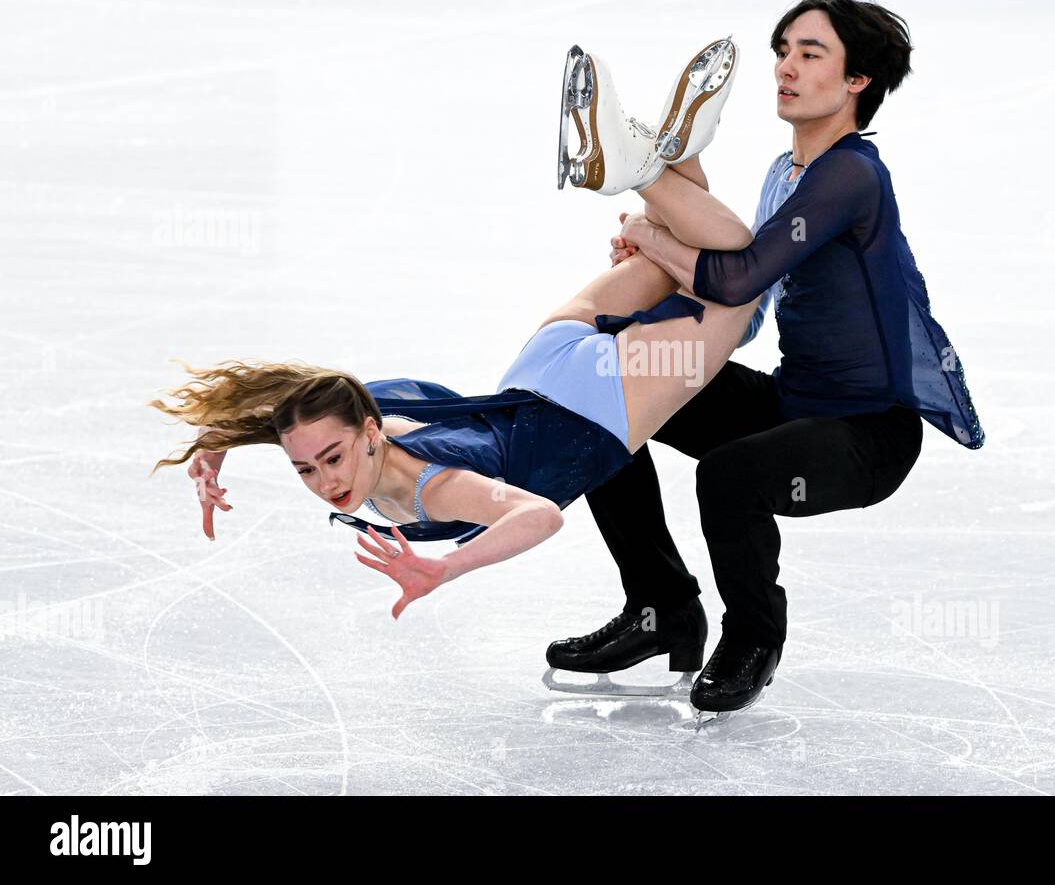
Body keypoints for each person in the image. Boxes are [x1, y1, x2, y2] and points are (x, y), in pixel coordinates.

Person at [151, 38, 752, 637]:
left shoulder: (428, 487)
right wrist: (212, 450)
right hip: (540, 367)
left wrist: (446, 567)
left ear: (367, 436)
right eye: (306, 471)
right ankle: (677, 151)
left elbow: (538, 515)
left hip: (598, 403)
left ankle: (639, 168)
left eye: (331, 460)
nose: (326, 481)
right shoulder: (358, 411)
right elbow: (272, 422)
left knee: (737, 271)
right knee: (672, 238)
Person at [544, 0, 985, 722]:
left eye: (811, 54)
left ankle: (752, 640)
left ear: (857, 82)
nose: (786, 66)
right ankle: (662, 611)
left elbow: (740, 275)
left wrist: (654, 237)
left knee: (731, 475)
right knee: (606, 392)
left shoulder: (851, 175)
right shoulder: (788, 174)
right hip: (792, 406)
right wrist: (656, 279)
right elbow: (743, 312)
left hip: (868, 433)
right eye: (782, 50)